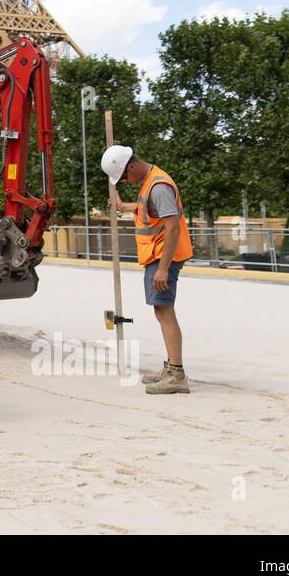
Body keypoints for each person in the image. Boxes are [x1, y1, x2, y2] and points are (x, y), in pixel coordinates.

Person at [102, 145, 193, 395]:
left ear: (131, 166)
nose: (124, 182)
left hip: (164, 256)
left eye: (123, 177)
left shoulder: (159, 186)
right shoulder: (150, 181)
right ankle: (171, 367)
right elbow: (148, 209)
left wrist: (163, 269)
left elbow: (172, 228)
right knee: (161, 310)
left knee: (164, 310)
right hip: (158, 255)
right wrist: (123, 207)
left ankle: (176, 374)